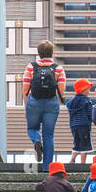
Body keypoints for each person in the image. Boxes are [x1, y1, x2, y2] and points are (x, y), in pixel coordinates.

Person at [22, 39, 65, 170]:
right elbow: (61, 91)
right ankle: (47, 168)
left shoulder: (31, 66)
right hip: (51, 103)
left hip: (34, 101)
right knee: (49, 135)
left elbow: (25, 90)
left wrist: (28, 103)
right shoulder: (58, 68)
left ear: (39, 52)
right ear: (51, 52)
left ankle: (36, 141)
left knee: (32, 128)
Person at [66, 78, 94, 165]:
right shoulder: (86, 101)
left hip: (74, 126)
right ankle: (83, 164)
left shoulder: (71, 102)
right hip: (84, 125)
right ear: (83, 90)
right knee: (84, 145)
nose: (89, 91)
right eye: (88, 89)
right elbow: (90, 114)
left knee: (77, 142)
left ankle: (73, 159)